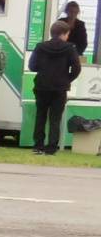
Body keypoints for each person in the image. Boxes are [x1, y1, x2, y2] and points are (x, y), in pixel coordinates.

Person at [27, 19, 82, 154]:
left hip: (41, 86)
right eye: (67, 34)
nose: (68, 37)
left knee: (41, 116)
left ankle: (38, 146)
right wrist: (66, 79)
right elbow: (76, 68)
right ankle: (51, 148)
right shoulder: (70, 48)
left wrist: (44, 70)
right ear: (63, 34)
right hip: (60, 88)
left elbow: (32, 66)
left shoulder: (40, 47)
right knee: (55, 118)